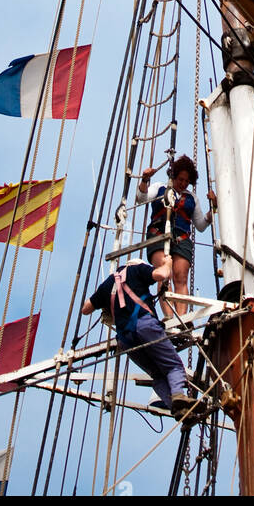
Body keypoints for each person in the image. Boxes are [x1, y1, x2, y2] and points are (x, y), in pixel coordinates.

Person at [81, 251, 197, 420]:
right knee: (173, 366)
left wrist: (105, 303)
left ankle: (178, 409)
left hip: (125, 339)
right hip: (144, 325)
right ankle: (179, 395)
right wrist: (168, 264)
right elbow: (161, 274)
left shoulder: (108, 283)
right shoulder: (136, 270)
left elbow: (86, 309)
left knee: (158, 375)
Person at [135, 154, 216, 318]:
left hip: (182, 239)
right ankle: (169, 317)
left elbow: (201, 224)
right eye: (181, 179)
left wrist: (214, 208)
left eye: (187, 181)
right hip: (159, 233)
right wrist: (144, 180)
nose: (183, 183)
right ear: (173, 176)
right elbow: (140, 198)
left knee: (181, 277)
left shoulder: (192, 198)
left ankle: (182, 319)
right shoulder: (159, 188)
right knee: (164, 273)